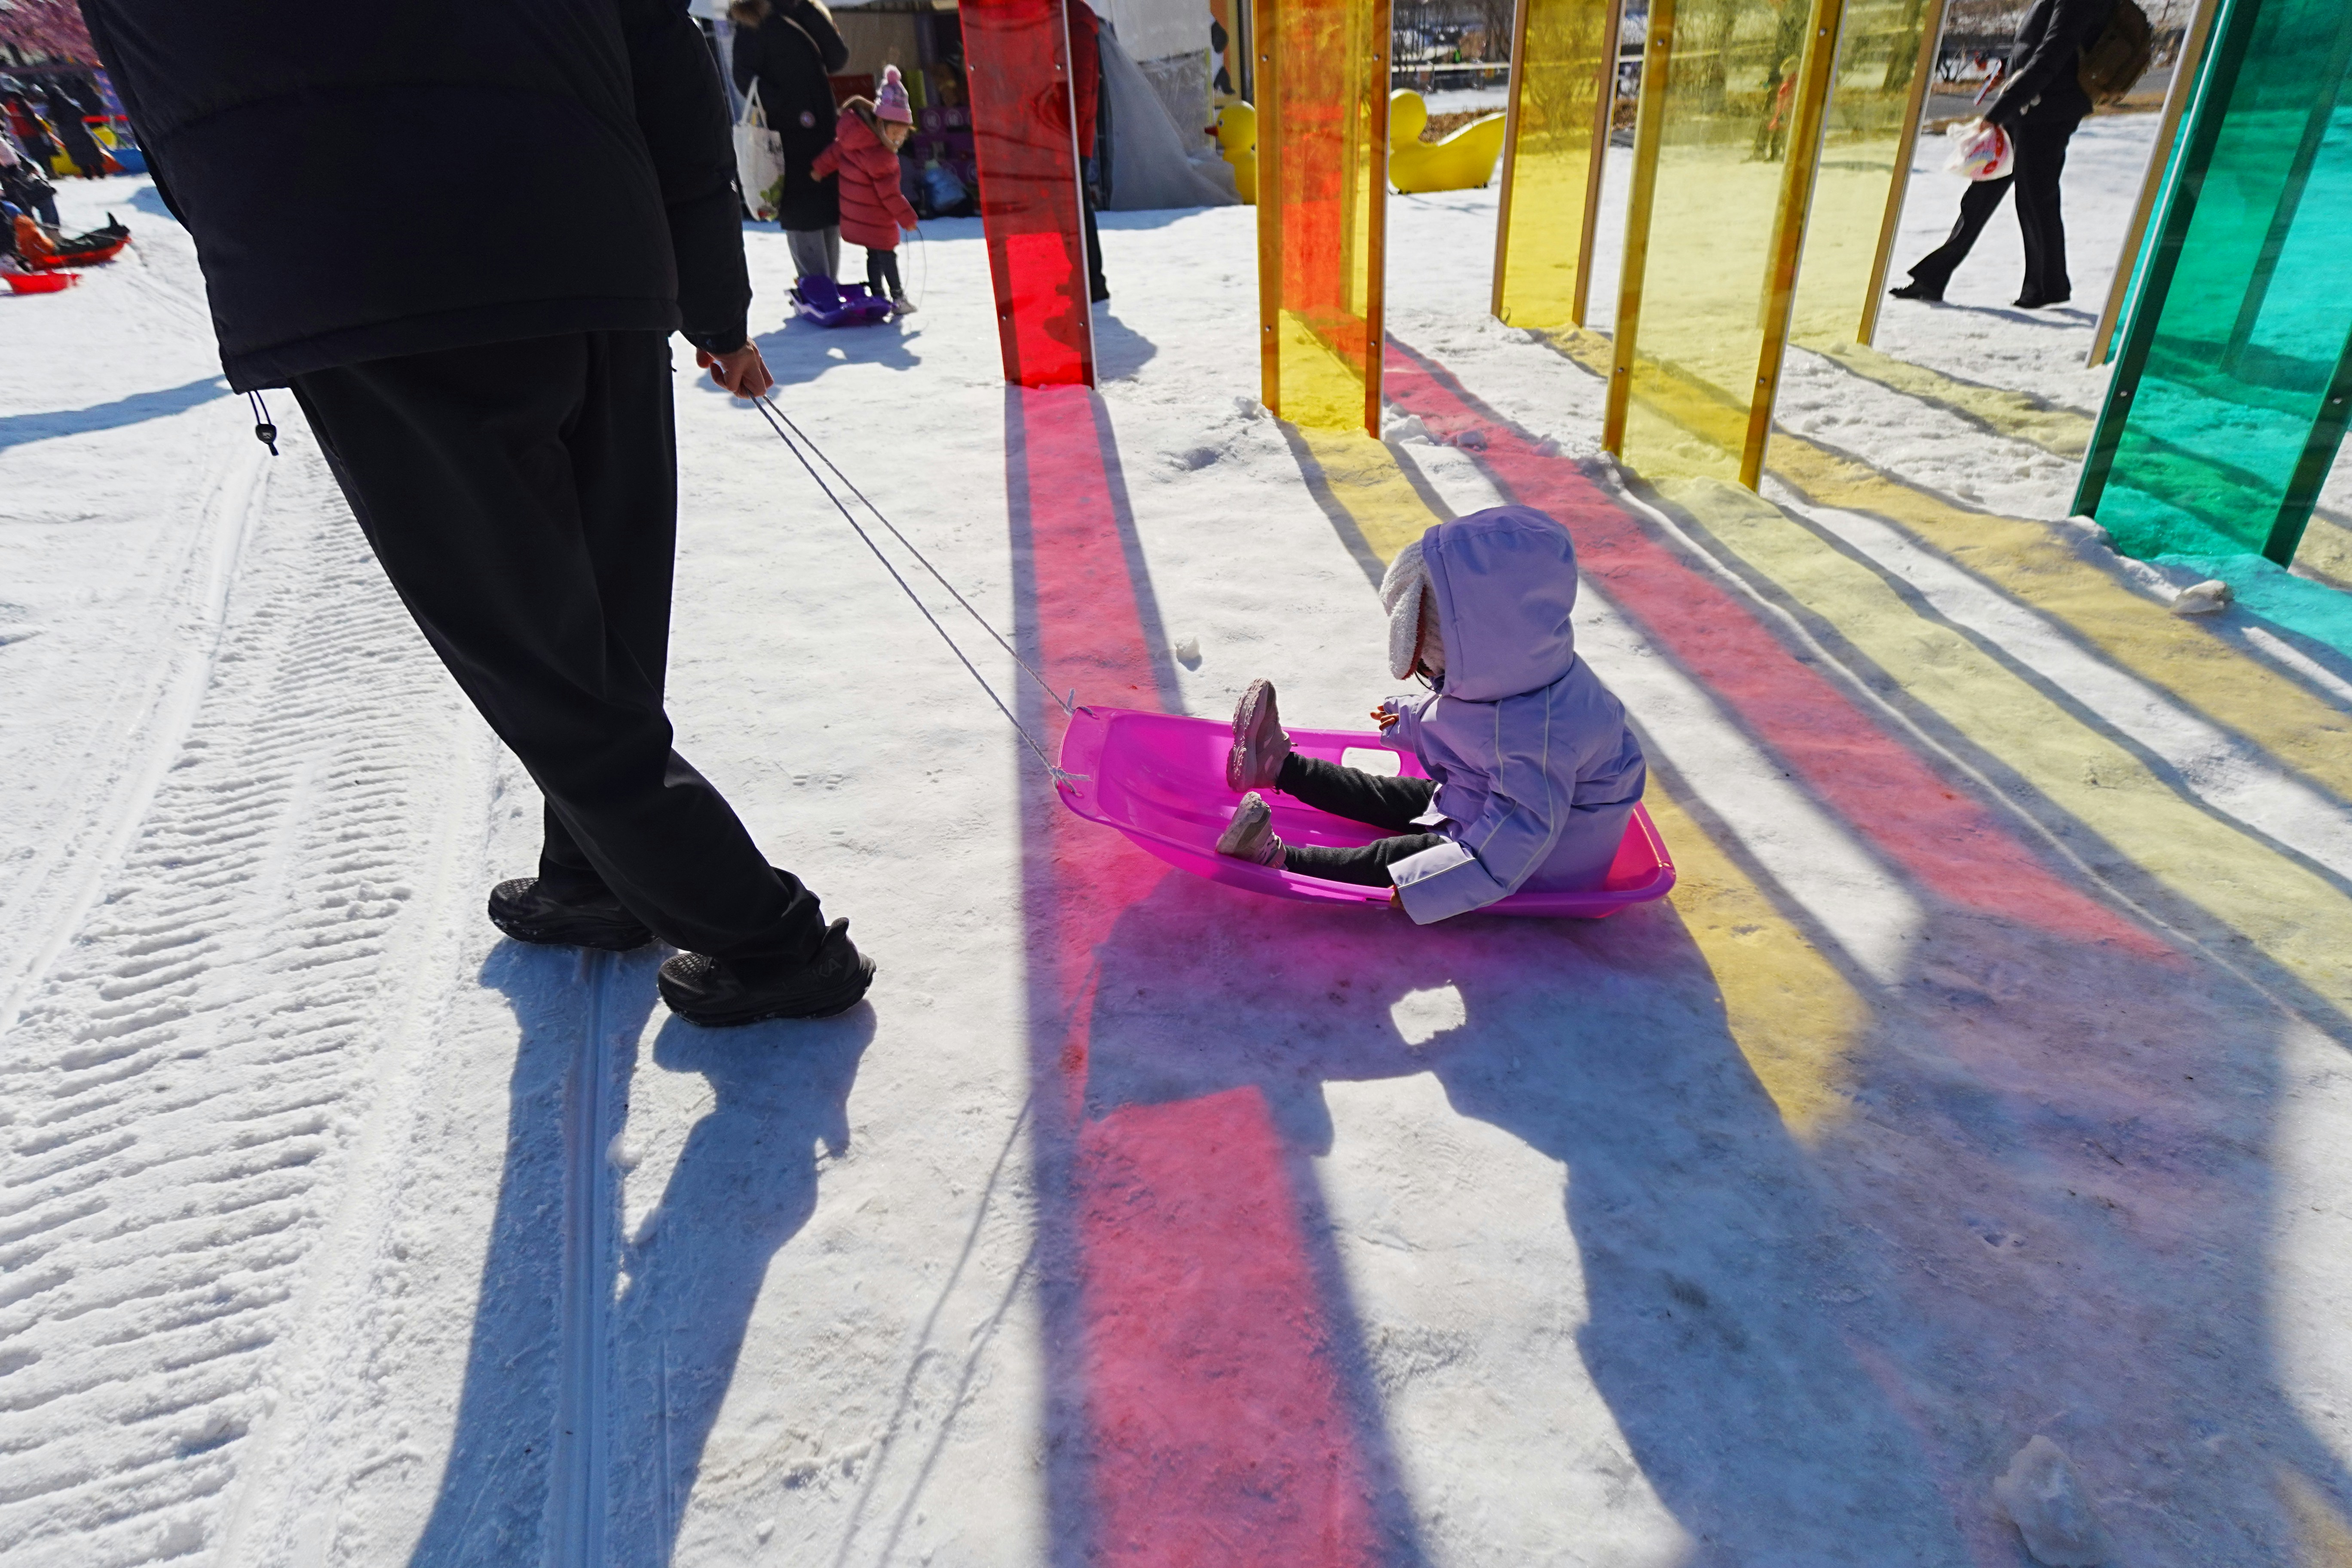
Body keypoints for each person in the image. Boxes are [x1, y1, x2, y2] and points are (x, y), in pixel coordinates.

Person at [79, 0, 874, 1026]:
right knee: (607, 606)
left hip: (357, 264)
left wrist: (266, 249)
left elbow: (170, 113)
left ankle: (768, 941)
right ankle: (590, 873)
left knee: (543, 659)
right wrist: (712, 304)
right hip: (597, 249)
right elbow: (665, 61)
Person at [1215, 507, 1648, 924]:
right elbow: (1481, 718)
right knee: (1396, 794)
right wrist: (1410, 719)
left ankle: (1280, 859)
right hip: (1489, 799)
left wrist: (1431, 887)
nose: (1427, 673)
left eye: (1430, 665)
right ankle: (1277, 766)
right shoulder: (1520, 673)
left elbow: (1513, 840)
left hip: (1538, 865)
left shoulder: (1540, 739)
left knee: (1406, 859)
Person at [1890, 0, 2117, 309]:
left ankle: (2047, 288)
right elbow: (2038, 44)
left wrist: (2000, 109)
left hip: (2047, 109)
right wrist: (2009, 67)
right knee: (1983, 193)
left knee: (2036, 199)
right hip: (2029, 103)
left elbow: (2052, 54)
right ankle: (1932, 278)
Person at [729, 0, 849, 285]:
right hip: (786, 134)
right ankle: (815, 283)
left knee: (829, 203)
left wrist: (810, 12)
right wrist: (784, 107)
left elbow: (838, 59)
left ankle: (829, 282)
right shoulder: (753, 14)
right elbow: (743, 75)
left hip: (823, 124)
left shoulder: (806, 10)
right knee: (803, 208)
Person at [812, 66, 920, 314]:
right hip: (878, 216)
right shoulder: (883, 158)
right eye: (894, 134)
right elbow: (890, 194)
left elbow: (833, 153)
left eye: (902, 137)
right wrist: (908, 219)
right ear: (880, 123)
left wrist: (818, 170)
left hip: (858, 215)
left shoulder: (855, 136)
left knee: (874, 255)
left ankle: (877, 294)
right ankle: (897, 298)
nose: (897, 141)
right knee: (887, 256)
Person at [1068, 0, 1109, 303]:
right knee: (1074, 208)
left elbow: (1082, 89)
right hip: (1066, 134)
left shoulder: (1074, 20)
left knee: (1078, 209)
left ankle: (1093, 282)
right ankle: (1085, 280)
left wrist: (1068, 133)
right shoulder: (1067, 17)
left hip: (1071, 137)